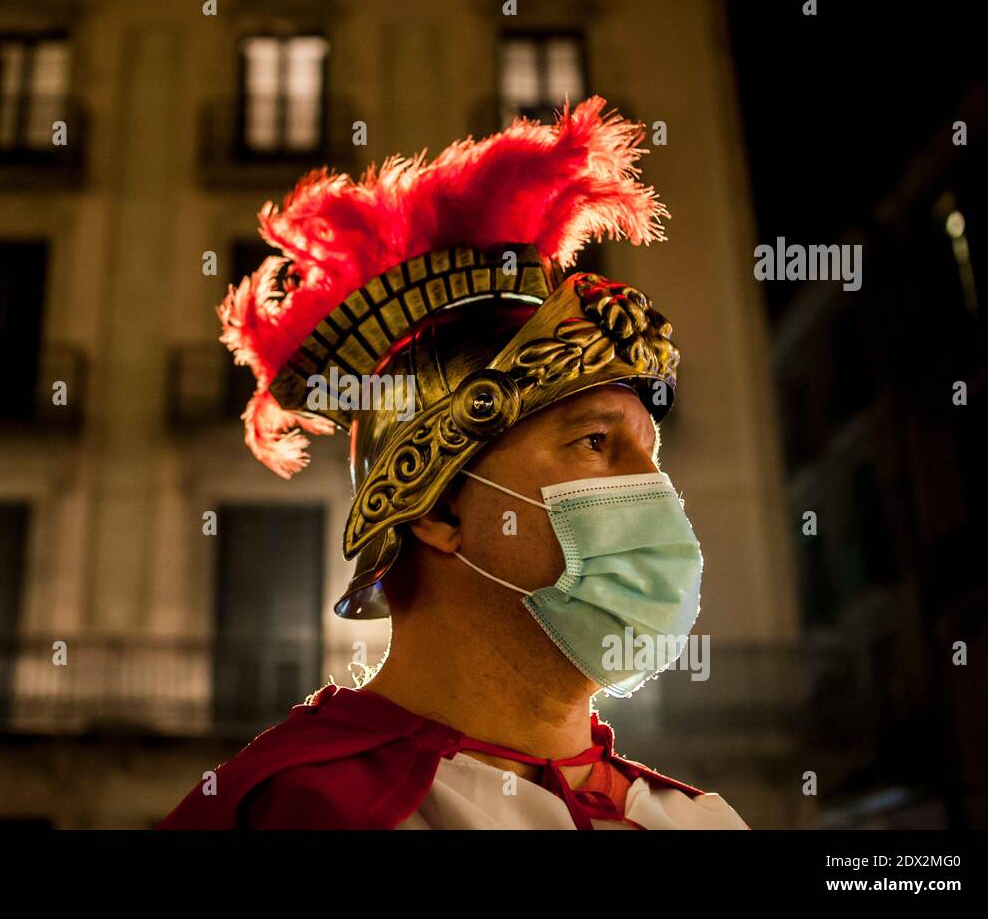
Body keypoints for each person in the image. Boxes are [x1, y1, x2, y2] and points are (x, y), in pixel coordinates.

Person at [157, 95, 749, 830]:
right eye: (595, 442)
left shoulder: (702, 821)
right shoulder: (296, 812)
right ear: (437, 508)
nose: (654, 490)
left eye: (649, 455)